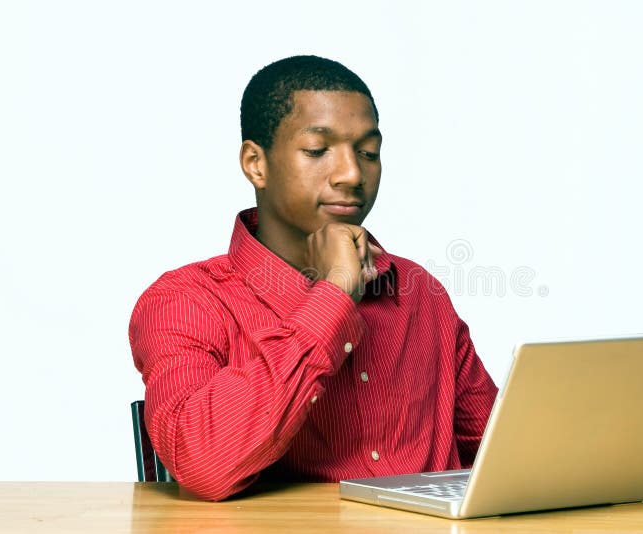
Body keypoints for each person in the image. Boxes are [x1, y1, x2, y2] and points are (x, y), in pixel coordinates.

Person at [129, 55, 497, 501]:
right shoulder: (185, 301)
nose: (352, 175)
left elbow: (501, 452)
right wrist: (334, 296)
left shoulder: (419, 292)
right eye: (318, 150)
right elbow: (203, 464)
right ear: (255, 164)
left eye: (368, 152)